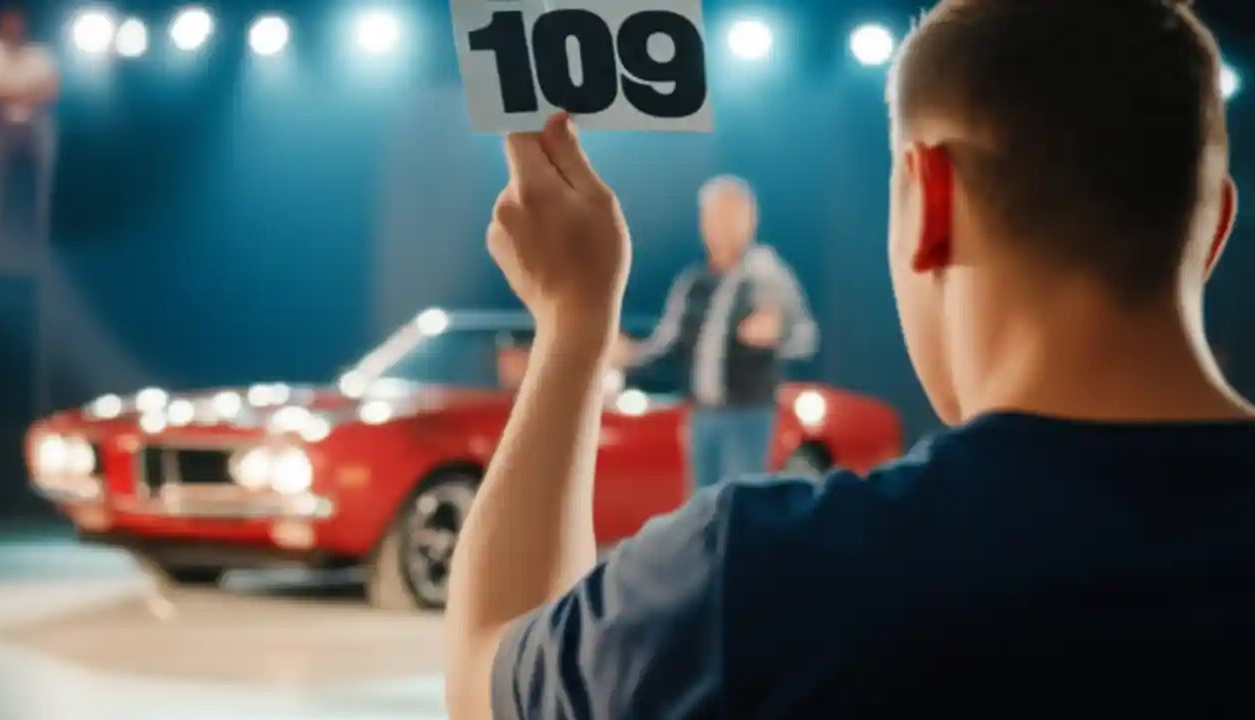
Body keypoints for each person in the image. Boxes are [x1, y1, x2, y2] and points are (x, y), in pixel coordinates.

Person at [446, 0, 1255, 717]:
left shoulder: (754, 588)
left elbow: (484, 679)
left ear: (931, 196)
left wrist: (574, 325)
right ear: (1214, 226)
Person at [616, 176, 818, 490]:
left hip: (747, 416)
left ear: (750, 220)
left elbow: (805, 336)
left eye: (728, 216)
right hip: (702, 417)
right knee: (701, 511)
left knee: (740, 507)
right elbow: (666, 341)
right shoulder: (692, 283)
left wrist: (777, 333)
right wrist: (630, 354)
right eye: (712, 217)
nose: (718, 226)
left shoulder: (768, 275)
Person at [0, 3, 58, 270]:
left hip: (35, 121)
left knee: (46, 172)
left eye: (17, 22)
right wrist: (19, 94)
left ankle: (42, 243)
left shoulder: (40, 54)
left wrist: (14, 93)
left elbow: (50, 91)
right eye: (8, 21)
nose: (13, 26)